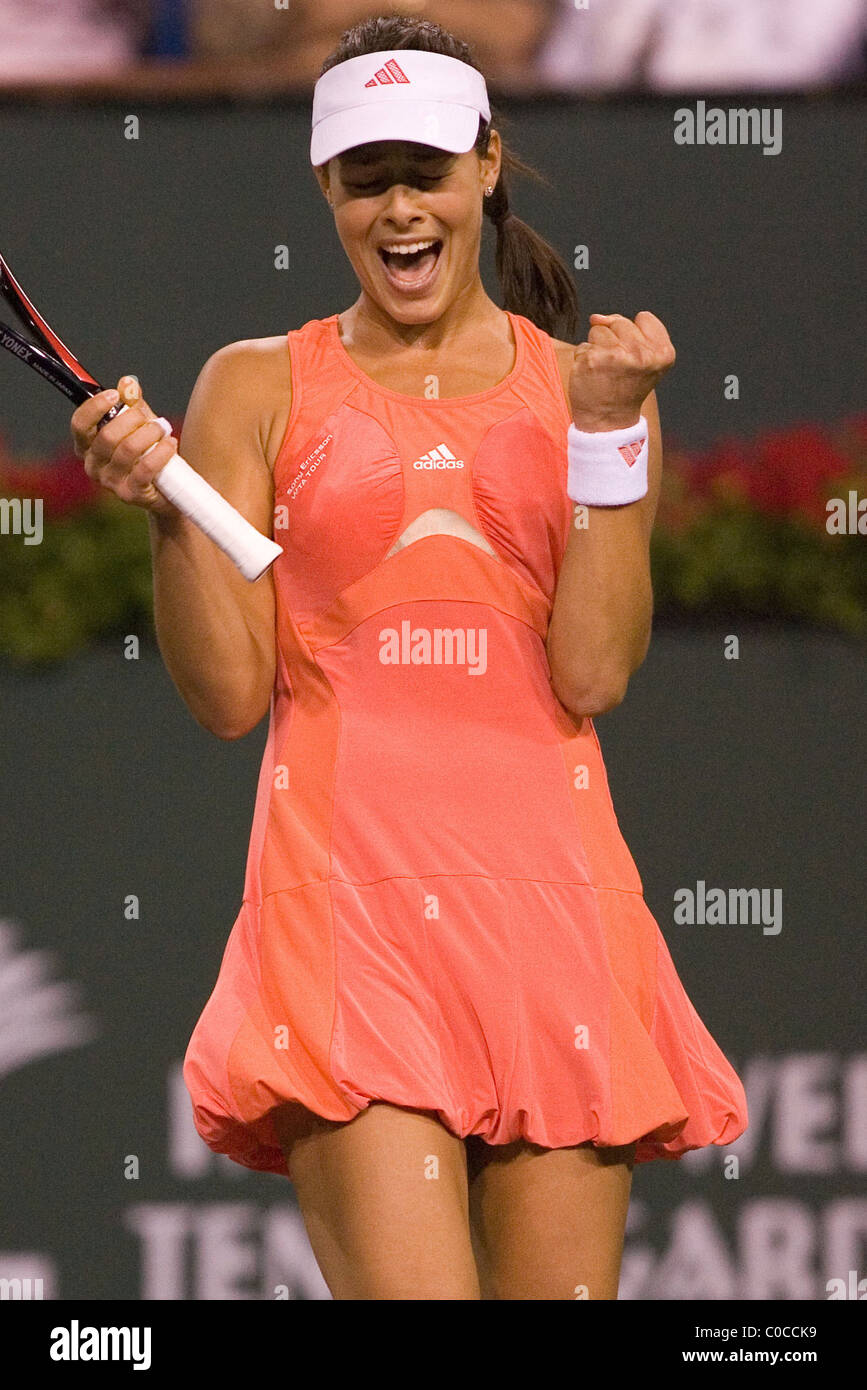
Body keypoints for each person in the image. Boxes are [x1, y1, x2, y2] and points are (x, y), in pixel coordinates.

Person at [70, 13, 748, 1301]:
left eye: (425, 172)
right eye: (364, 178)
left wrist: (607, 436)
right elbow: (229, 699)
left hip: (556, 919)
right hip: (347, 919)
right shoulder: (253, 387)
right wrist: (168, 513)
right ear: (325, 188)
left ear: (485, 165)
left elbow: (594, 675)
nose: (398, 209)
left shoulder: (592, 390)